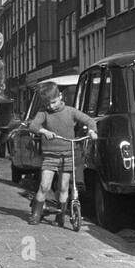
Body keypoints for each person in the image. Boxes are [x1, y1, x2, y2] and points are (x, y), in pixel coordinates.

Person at [27, 81, 97, 227]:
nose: (51, 106)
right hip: (50, 156)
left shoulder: (70, 111)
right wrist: (44, 131)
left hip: (67, 154)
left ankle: (61, 215)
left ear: (60, 96)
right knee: (44, 186)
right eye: (48, 104)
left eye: (53, 102)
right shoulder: (43, 112)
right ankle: (36, 214)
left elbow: (89, 120)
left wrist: (91, 131)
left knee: (64, 186)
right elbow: (33, 126)